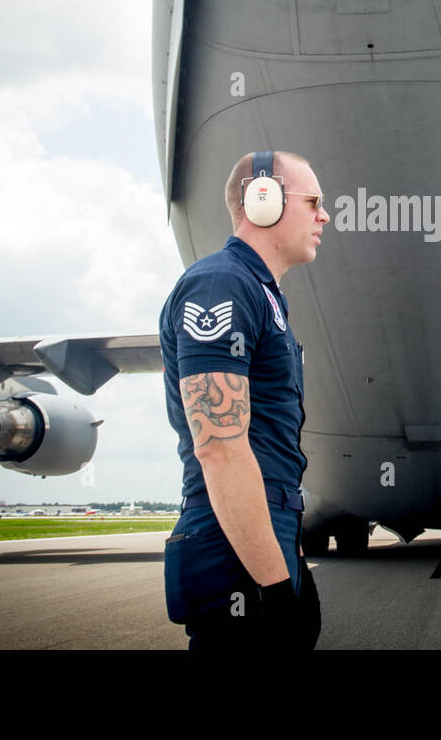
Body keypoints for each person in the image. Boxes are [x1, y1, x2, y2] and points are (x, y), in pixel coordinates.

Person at [160, 150, 331, 649]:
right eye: (313, 201)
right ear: (263, 200)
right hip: (231, 547)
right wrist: (277, 590)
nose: (324, 216)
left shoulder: (260, 293)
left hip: (261, 538)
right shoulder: (221, 285)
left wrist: (290, 559)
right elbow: (220, 448)